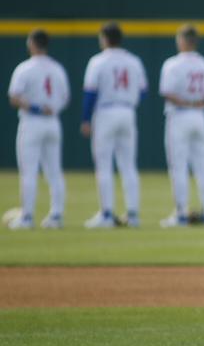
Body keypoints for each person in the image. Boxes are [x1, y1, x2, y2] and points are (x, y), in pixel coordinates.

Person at [81, 22, 148, 228]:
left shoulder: (98, 61)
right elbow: (143, 92)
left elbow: (90, 93)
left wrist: (85, 119)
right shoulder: (134, 61)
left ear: (104, 38)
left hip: (106, 112)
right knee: (128, 166)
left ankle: (107, 215)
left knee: (104, 166)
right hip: (127, 111)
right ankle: (133, 214)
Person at [7, 29, 69, 229]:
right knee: (54, 171)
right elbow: (65, 97)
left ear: (32, 44)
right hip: (53, 122)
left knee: (29, 172)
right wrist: (52, 109)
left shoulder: (25, 68)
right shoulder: (57, 68)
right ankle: (56, 215)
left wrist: (35, 108)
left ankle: (27, 217)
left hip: (32, 122)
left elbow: (14, 97)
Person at [159, 24, 204, 227]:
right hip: (200, 117)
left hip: (180, 117)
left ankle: (181, 215)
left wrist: (186, 103)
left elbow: (167, 92)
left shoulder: (172, 64)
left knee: (179, 167)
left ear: (182, 41)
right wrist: (194, 104)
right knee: (203, 166)